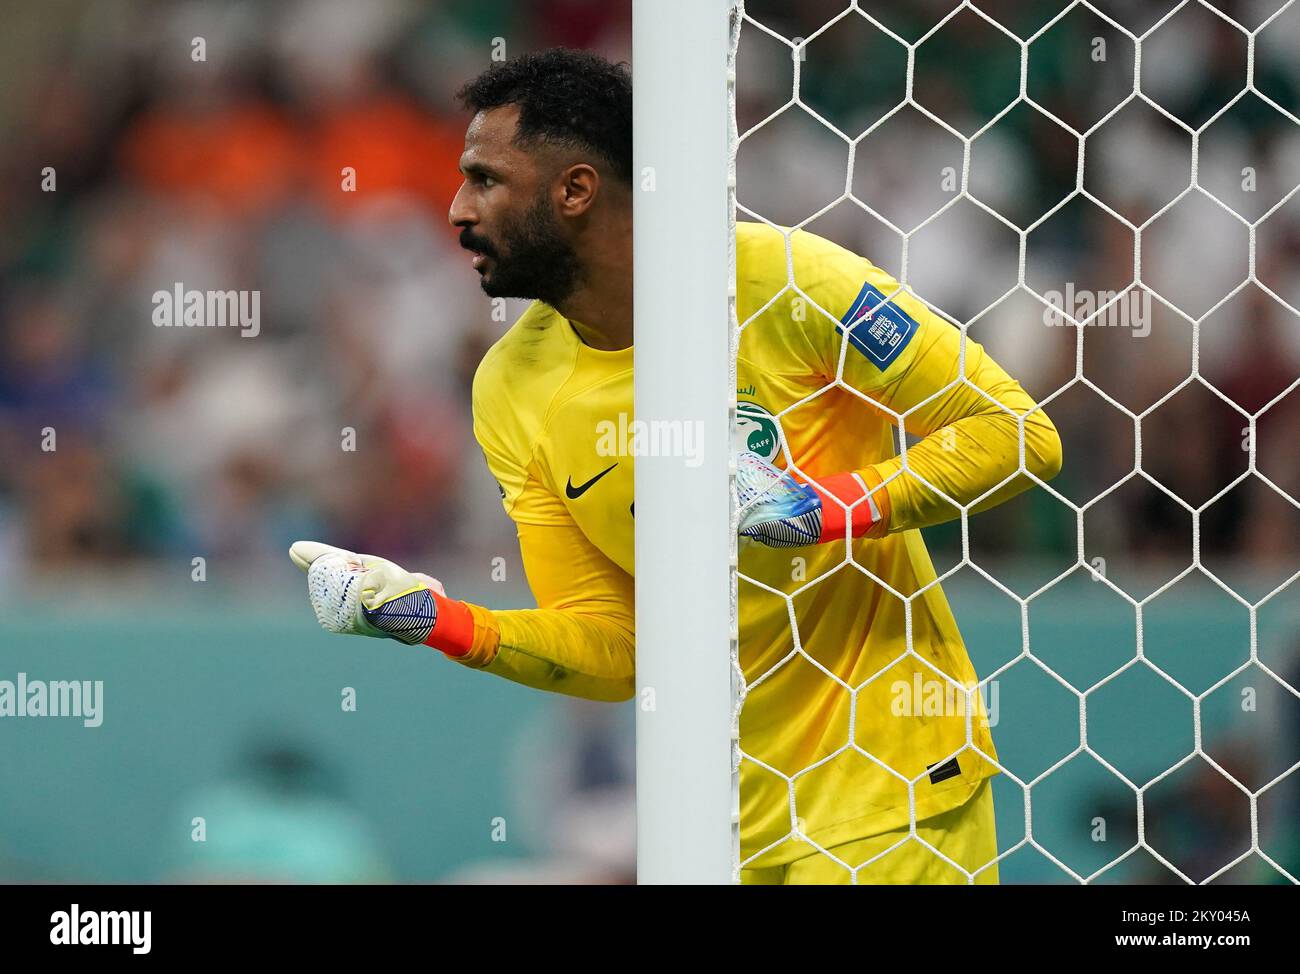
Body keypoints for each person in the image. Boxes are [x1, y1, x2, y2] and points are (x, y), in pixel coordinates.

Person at [291, 48, 1062, 885]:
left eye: (484, 179)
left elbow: (1018, 435)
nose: (456, 209)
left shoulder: (783, 281)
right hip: (709, 828)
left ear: (574, 190)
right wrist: (435, 619)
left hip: (887, 792)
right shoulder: (509, 387)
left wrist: (821, 509)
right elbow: (619, 649)